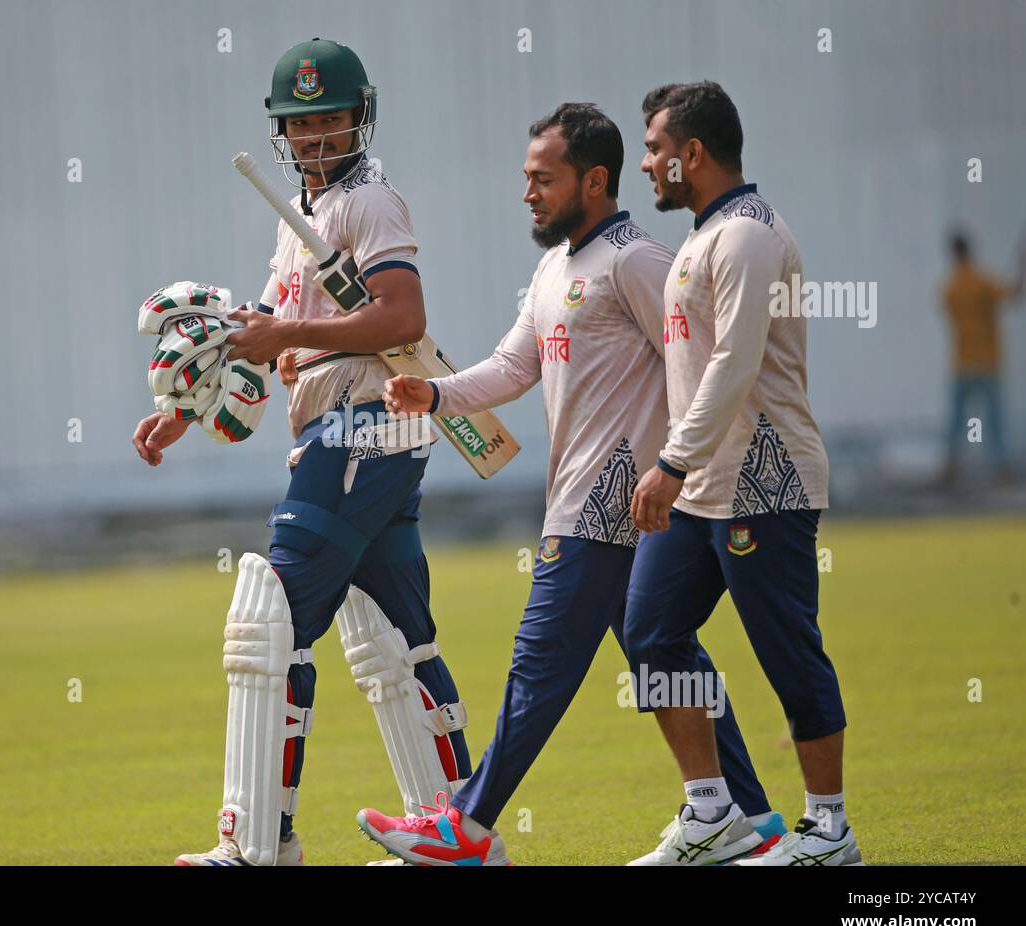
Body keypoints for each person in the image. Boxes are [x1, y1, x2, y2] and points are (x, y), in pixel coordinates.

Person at [355, 104, 782, 866]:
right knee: (668, 658)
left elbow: (709, 365)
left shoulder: (639, 263)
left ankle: (469, 826)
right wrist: (435, 395)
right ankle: (749, 820)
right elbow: (514, 366)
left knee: (539, 663)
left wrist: (682, 468)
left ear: (594, 180)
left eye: (543, 179)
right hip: (591, 506)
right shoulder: (555, 267)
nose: (528, 193)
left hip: (616, 505)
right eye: (526, 179)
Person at [133, 38, 477, 866]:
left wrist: (292, 332)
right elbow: (270, 325)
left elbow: (400, 319)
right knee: (398, 639)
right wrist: (192, 405)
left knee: (267, 620)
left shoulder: (371, 203)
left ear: (361, 117)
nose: (317, 135)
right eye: (302, 122)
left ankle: (255, 849)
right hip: (358, 432)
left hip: (363, 424)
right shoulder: (302, 218)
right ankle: (457, 836)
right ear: (282, 131)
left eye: (331, 119)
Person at [626, 81, 862, 865]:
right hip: (702, 487)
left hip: (767, 479)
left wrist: (668, 462)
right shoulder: (706, 234)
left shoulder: (751, 236)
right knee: (652, 635)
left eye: (657, 149)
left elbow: (736, 363)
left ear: (693, 153)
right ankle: (712, 812)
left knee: (788, 653)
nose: (649, 164)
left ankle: (829, 829)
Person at [941, 231, 1023, 485]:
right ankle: (1001, 468)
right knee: (995, 422)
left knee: (956, 422)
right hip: (988, 362)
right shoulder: (983, 281)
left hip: (962, 364)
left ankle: (951, 467)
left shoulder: (950, 288)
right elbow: (1014, 296)